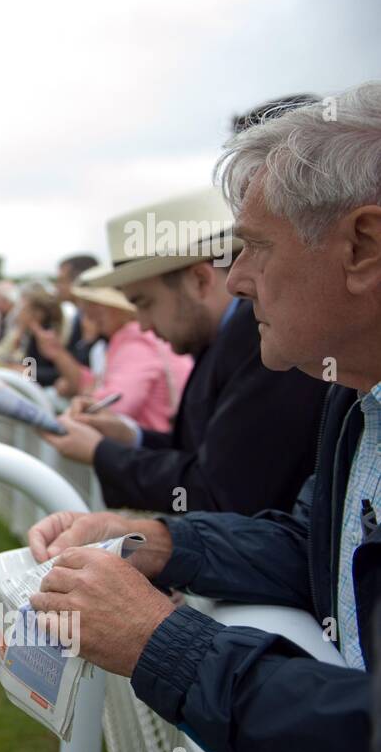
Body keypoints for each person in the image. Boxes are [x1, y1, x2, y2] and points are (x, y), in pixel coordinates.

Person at [26, 80, 381, 752]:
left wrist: (165, 642)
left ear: (362, 246)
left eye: (254, 246)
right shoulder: (354, 398)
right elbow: (311, 541)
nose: (238, 277)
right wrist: (158, 540)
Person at [42, 187, 327, 515]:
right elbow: (207, 455)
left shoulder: (268, 346)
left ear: (200, 281)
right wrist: (129, 436)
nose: (144, 325)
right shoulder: (231, 337)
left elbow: (220, 494)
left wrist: (101, 452)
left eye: (144, 303)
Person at [35, 283, 192, 433]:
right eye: (89, 307)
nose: (92, 313)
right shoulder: (125, 340)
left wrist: (88, 394)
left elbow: (117, 407)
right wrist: (57, 353)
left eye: (100, 306)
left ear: (121, 309)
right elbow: (86, 383)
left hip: (149, 449)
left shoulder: (136, 342)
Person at [54, 254, 100, 365]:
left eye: (61, 280)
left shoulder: (98, 320)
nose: (57, 286)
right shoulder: (79, 316)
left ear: (79, 281)